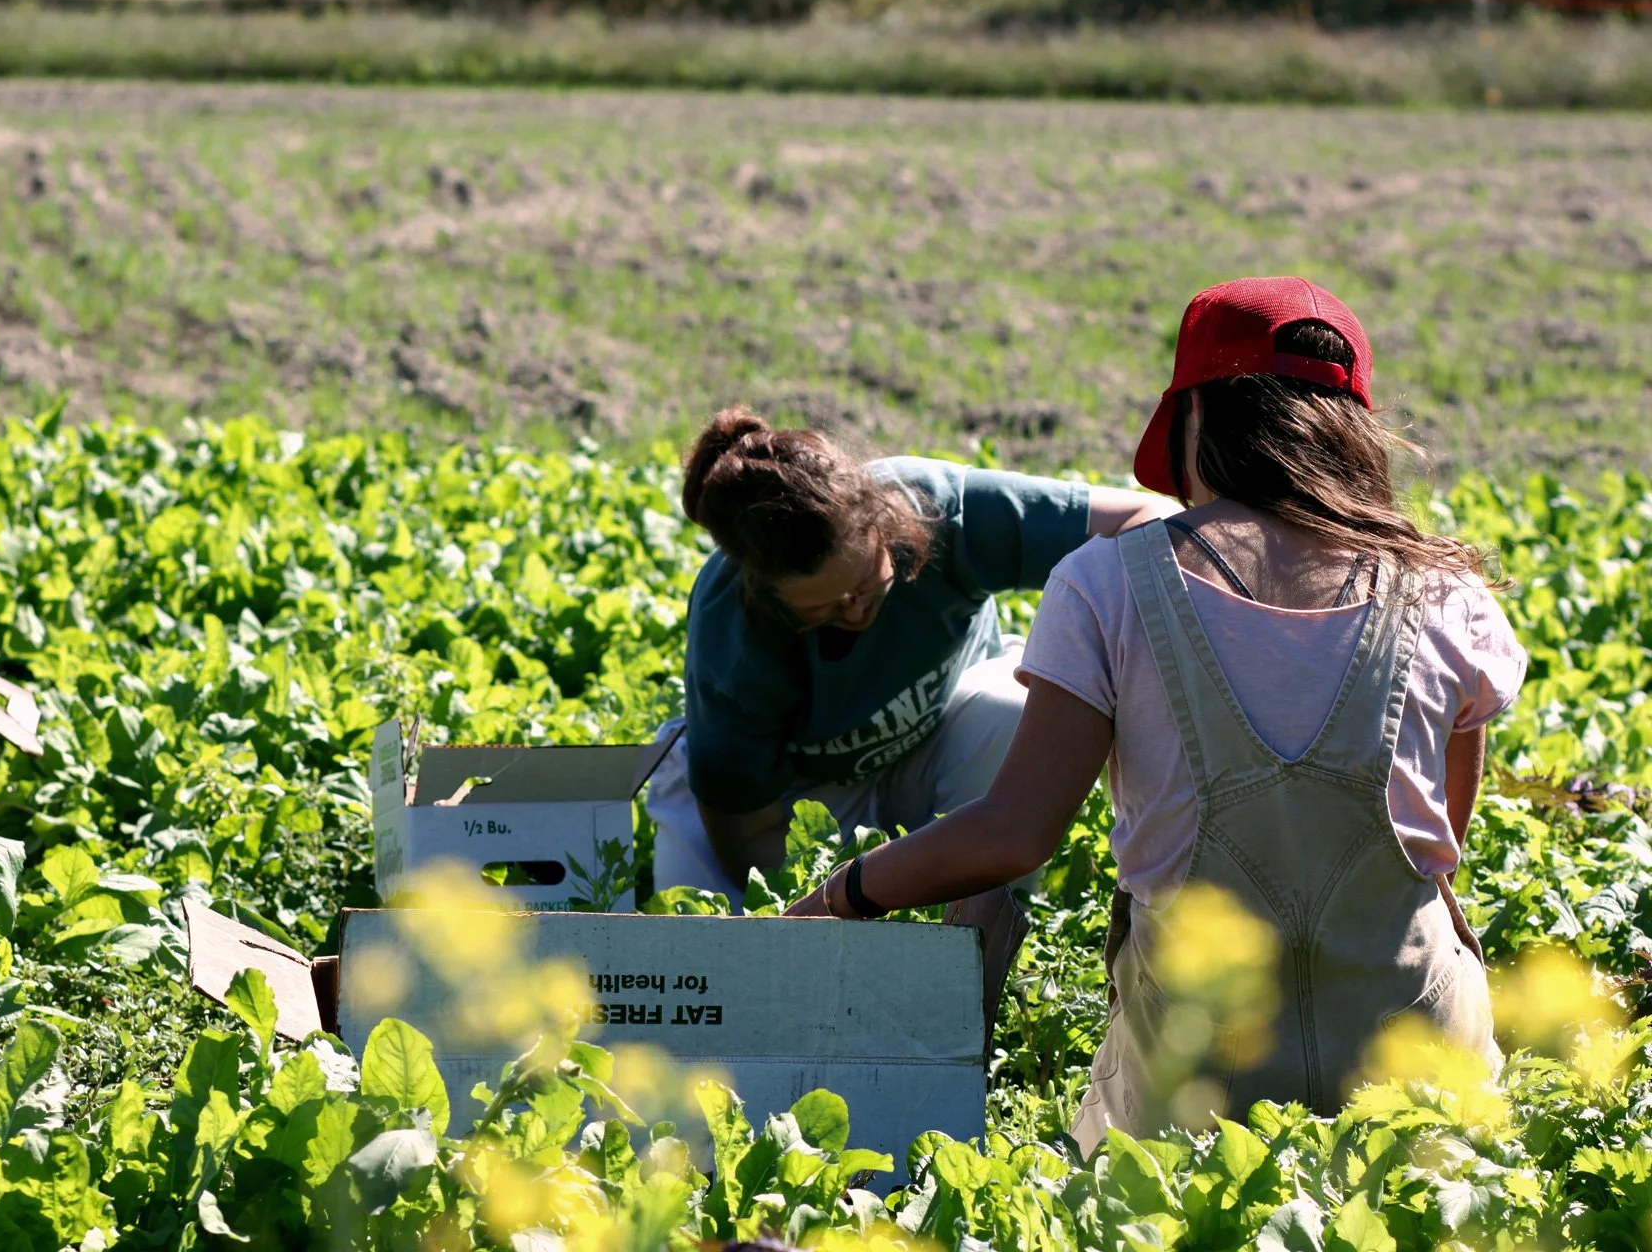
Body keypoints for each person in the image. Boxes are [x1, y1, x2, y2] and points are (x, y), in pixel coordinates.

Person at [786, 277, 1527, 1153]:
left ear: (1194, 420)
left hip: (1196, 1090)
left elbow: (1012, 836)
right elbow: (1437, 849)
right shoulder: (1444, 591)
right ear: (1354, 432)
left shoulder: (1109, 584)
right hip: (1416, 1074)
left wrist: (840, 897)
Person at [647, 408, 1175, 906]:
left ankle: (981, 922)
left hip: (944, 744)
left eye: (865, 587)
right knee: (719, 935)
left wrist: (1082, 651)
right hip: (806, 798)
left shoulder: (938, 507)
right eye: (825, 609)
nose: (854, 614)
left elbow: (1148, 521)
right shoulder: (731, 633)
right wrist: (825, 908)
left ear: (882, 523)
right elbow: (747, 833)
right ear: (766, 595)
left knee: (1012, 708)